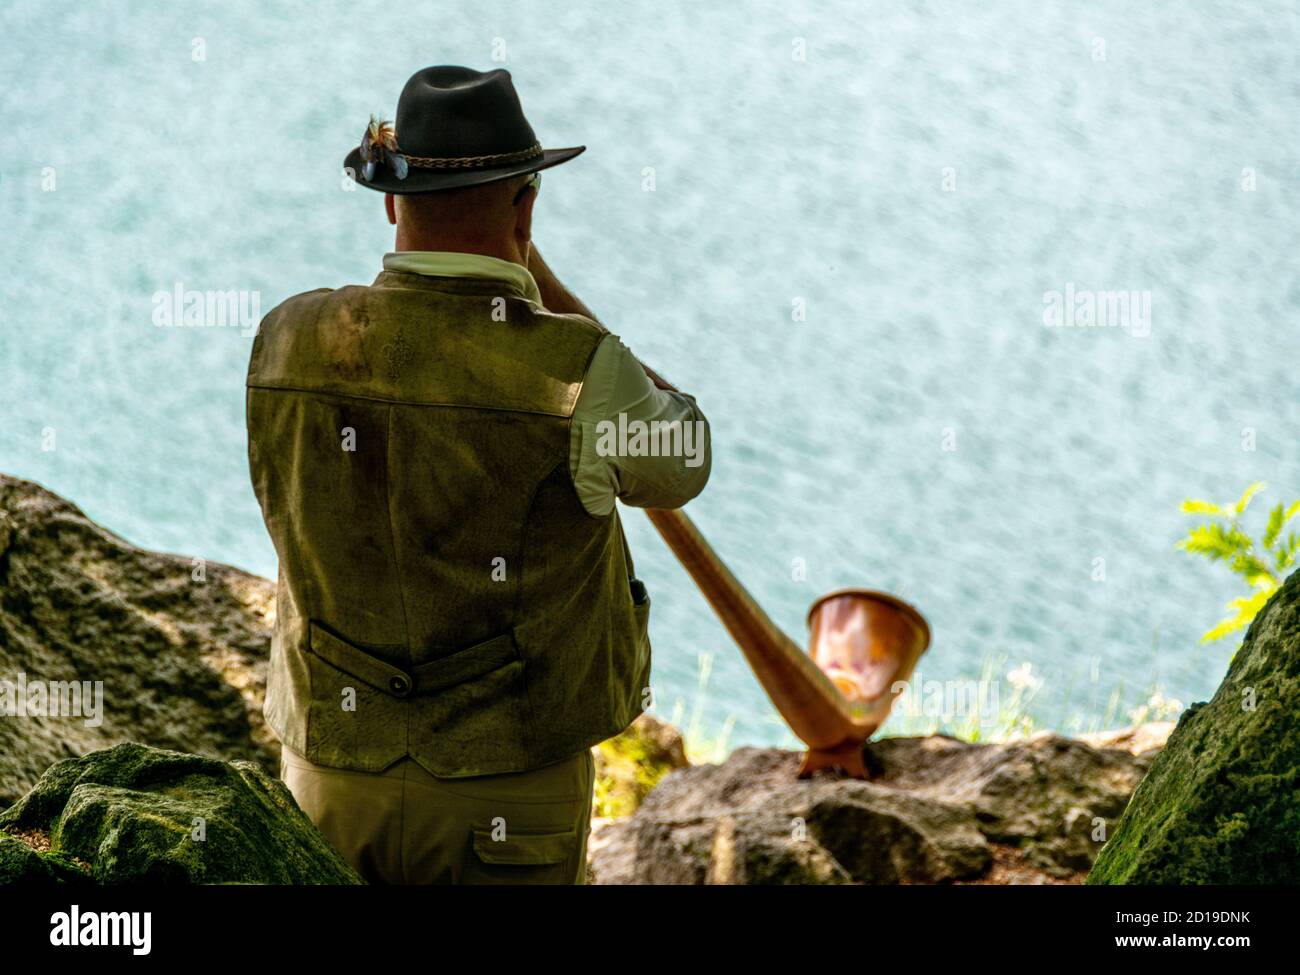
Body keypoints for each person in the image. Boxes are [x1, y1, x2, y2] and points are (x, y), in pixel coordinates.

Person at [244, 65, 711, 884]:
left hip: (328, 773)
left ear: (391, 200)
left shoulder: (285, 338)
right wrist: (554, 296)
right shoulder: (577, 370)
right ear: (526, 206)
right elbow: (685, 461)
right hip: (507, 799)